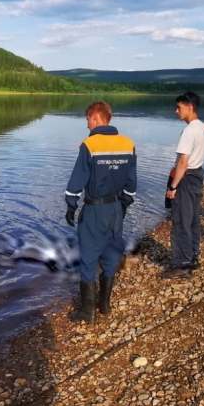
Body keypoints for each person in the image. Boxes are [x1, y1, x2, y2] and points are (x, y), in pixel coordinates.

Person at [64, 101, 137, 322]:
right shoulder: (128, 143)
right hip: (115, 208)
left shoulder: (90, 145)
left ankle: (88, 312)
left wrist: (70, 205)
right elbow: (131, 186)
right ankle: (104, 305)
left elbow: (77, 181)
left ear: (96, 117)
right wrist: (121, 206)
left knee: (87, 259)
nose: (87, 125)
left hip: (95, 209)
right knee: (111, 256)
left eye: (87, 119)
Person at [164, 92, 204, 279]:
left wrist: (173, 187)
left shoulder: (189, 131)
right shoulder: (203, 128)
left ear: (190, 107)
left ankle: (182, 264)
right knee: (193, 221)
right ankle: (193, 257)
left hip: (186, 178)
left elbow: (183, 162)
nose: (176, 111)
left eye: (179, 107)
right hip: (197, 175)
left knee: (181, 222)